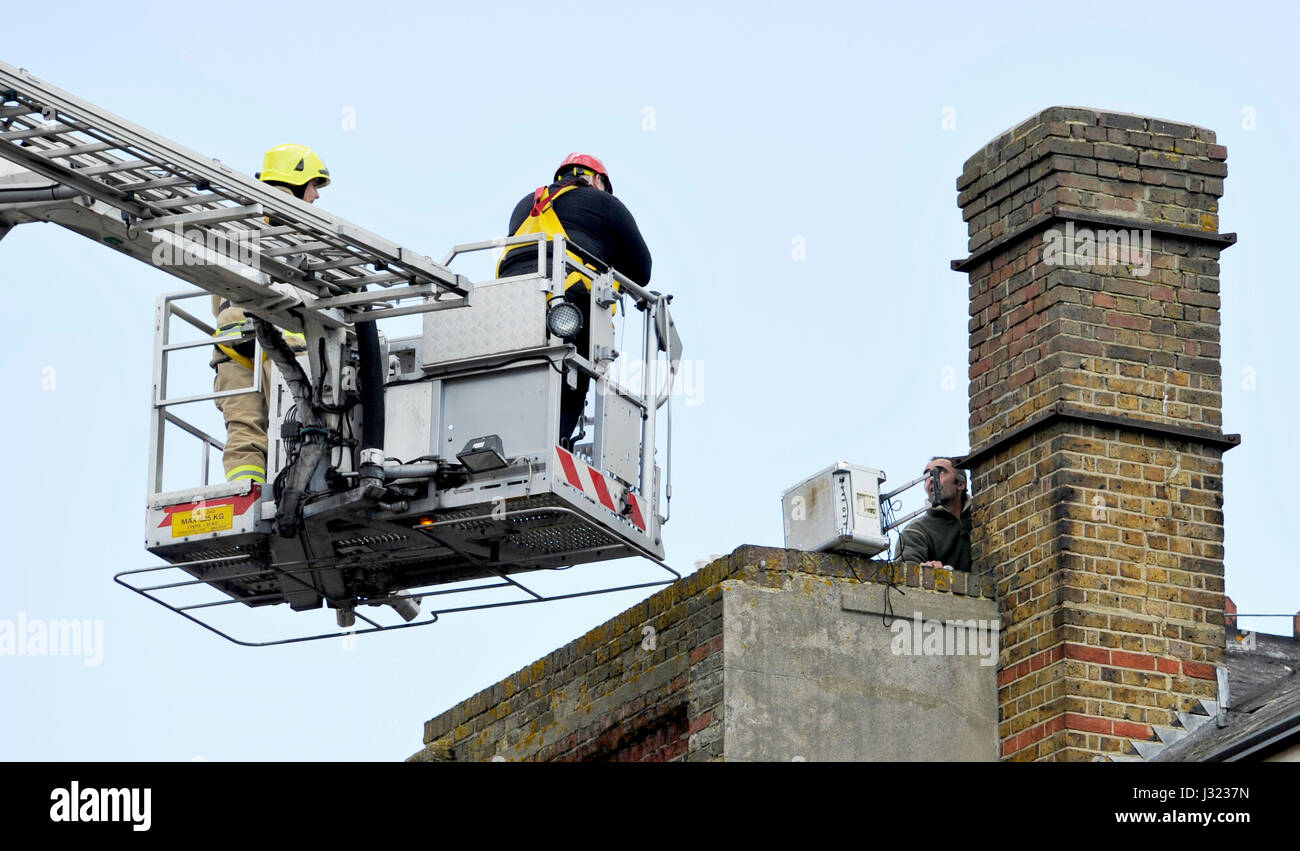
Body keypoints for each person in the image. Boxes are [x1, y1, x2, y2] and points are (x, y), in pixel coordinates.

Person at [495, 153, 651, 444]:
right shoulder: (606, 203)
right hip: (570, 302)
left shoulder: (525, 205)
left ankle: (511, 438)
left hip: (512, 302)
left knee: (519, 374)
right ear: (596, 180)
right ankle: (557, 441)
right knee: (573, 372)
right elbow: (642, 271)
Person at [210, 143, 329, 484]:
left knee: (244, 431)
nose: (317, 196)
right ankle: (296, 486)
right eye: (314, 185)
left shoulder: (237, 221)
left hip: (232, 349)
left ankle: (245, 491)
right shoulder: (292, 224)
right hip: (278, 337)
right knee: (294, 420)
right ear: (295, 181)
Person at [896, 456, 973, 571]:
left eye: (940, 472)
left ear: (960, 484)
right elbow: (905, 576)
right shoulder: (916, 531)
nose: (931, 479)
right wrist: (926, 573)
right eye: (927, 475)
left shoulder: (982, 517)